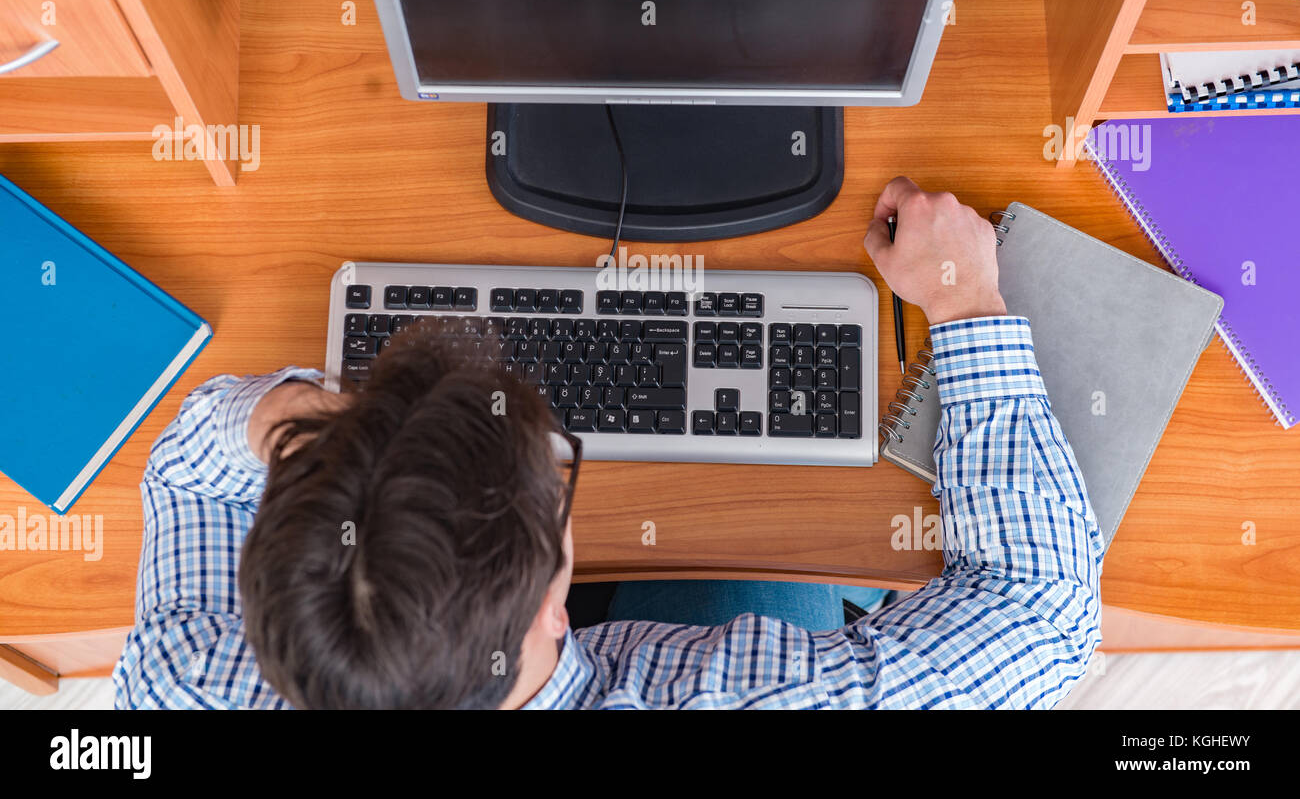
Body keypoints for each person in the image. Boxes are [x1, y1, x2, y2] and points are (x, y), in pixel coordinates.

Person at [113, 176, 1102, 709]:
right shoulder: (724, 698)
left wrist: (306, 427)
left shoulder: (186, 686)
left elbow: (190, 483)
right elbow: (1044, 619)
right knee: (783, 567)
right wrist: (967, 306)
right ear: (553, 602)